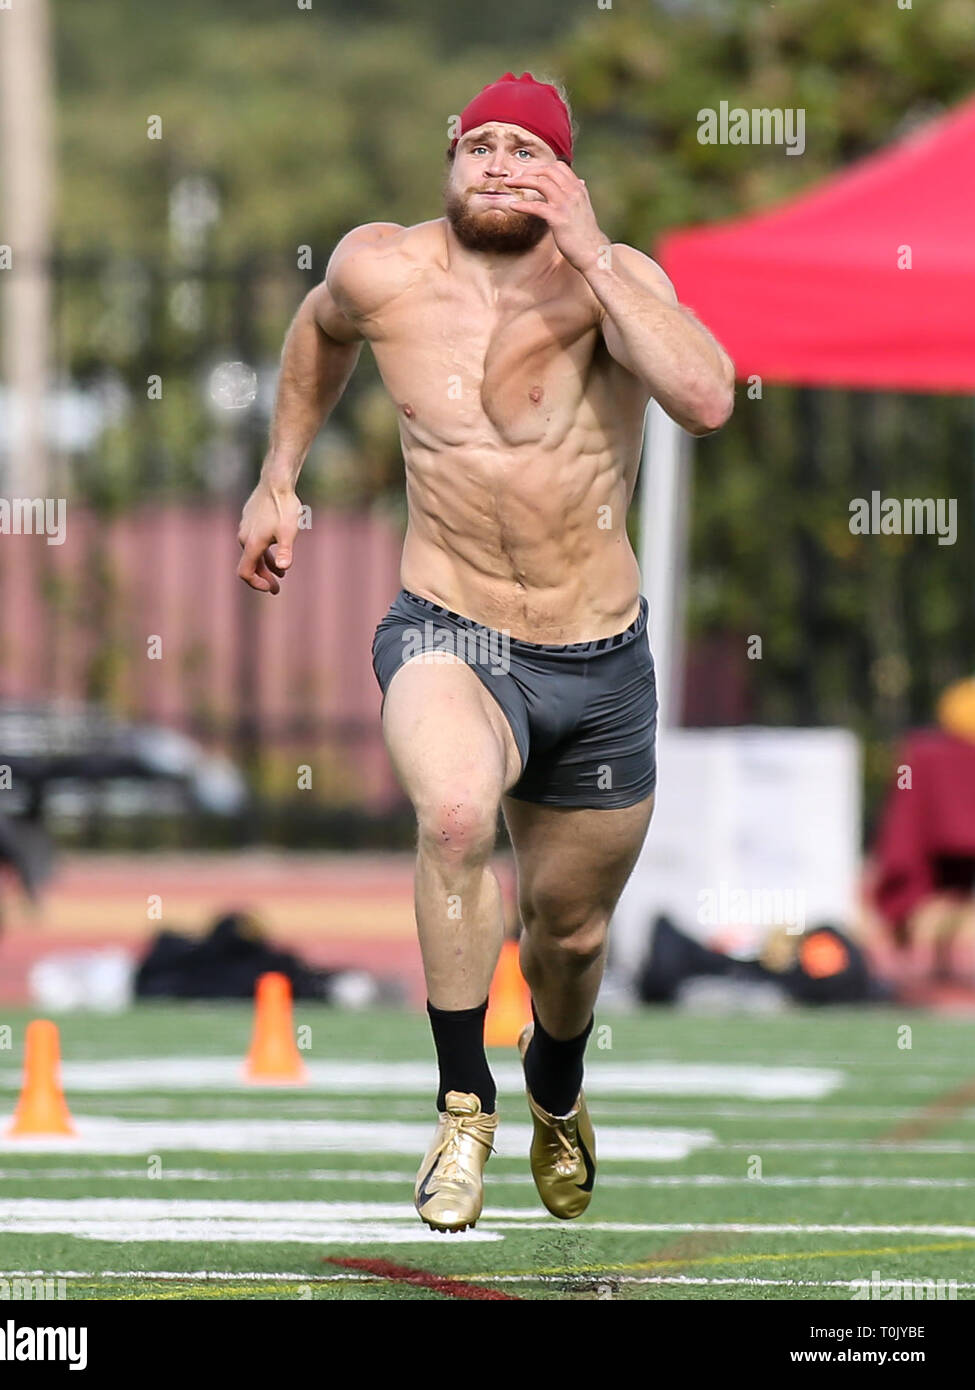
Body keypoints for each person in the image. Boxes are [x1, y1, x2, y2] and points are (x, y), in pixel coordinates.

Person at [237, 72, 735, 1230]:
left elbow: (707, 398)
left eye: (531, 151)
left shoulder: (612, 284)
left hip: (596, 658)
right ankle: (464, 1106)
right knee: (454, 815)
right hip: (446, 624)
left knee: (568, 937)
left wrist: (598, 253)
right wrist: (277, 478)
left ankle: (554, 1092)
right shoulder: (382, 269)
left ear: (564, 175)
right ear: (450, 158)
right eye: (484, 145)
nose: (502, 163)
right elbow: (318, 333)